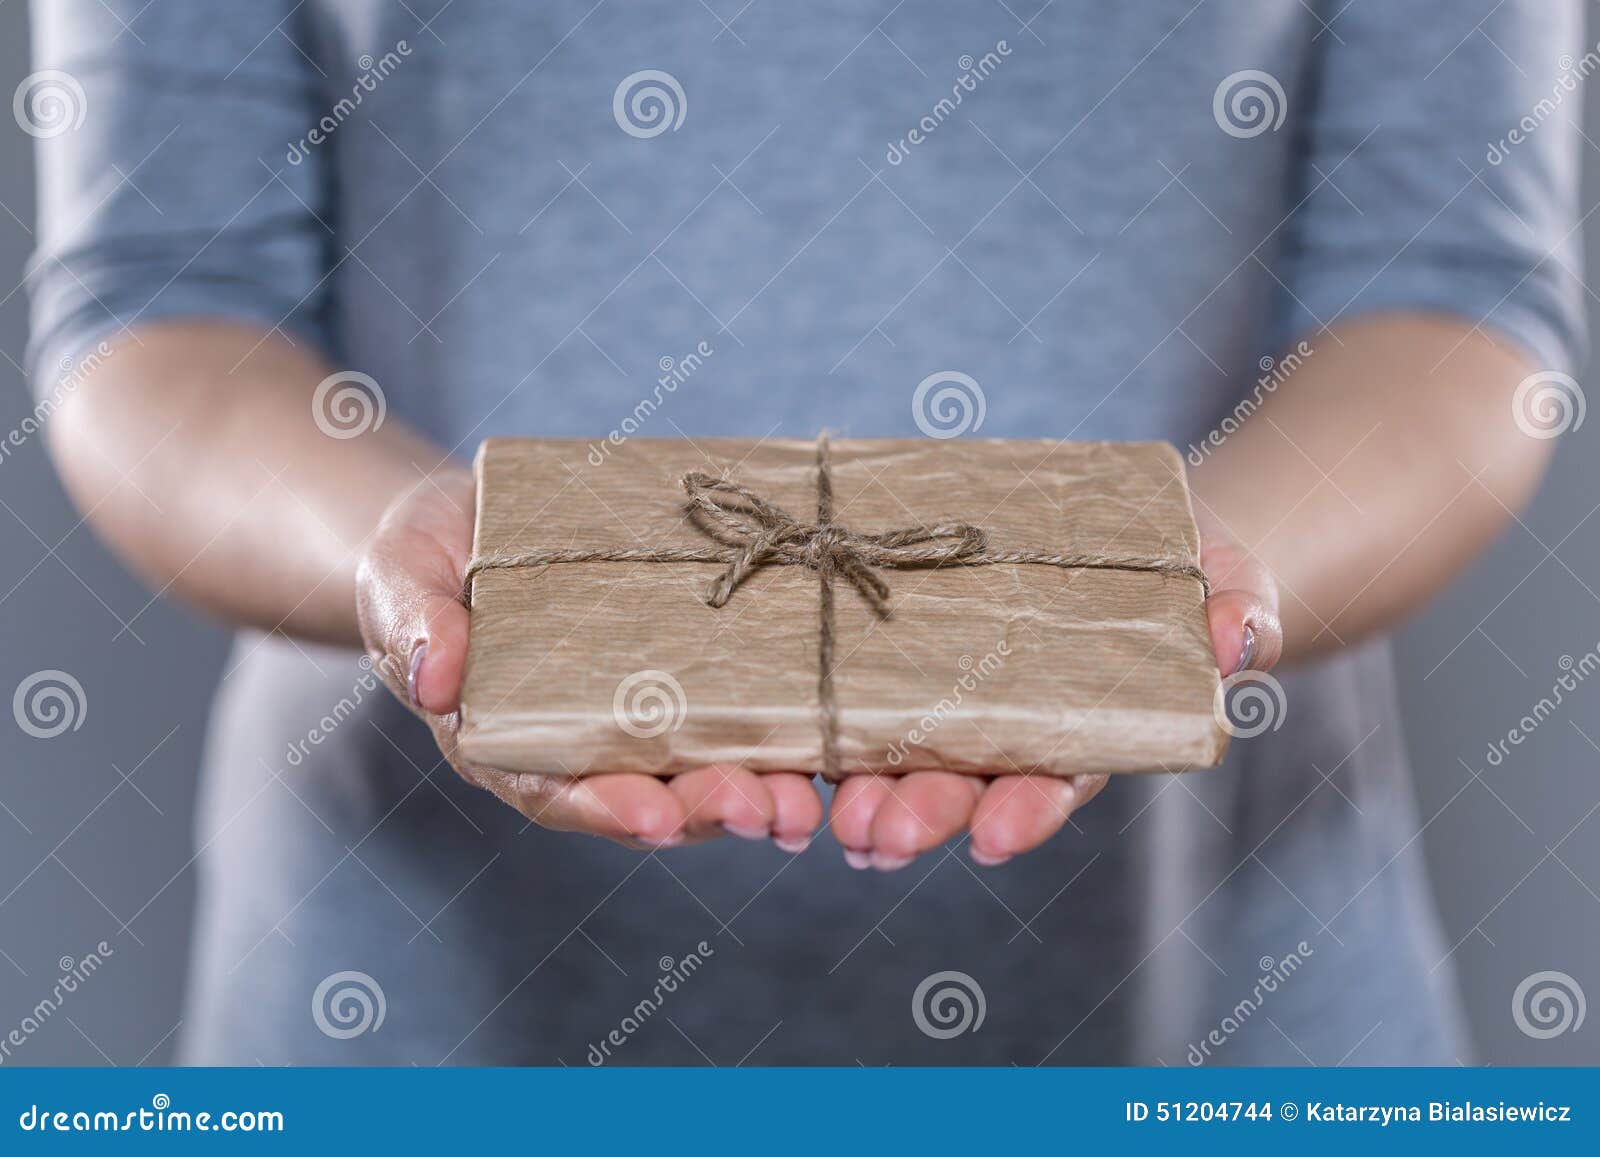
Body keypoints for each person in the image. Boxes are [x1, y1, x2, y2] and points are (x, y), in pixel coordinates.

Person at [26, 0, 1582, 1064]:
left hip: (1230, 1000)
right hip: (409, 1012)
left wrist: (1193, 588)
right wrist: (399, 552)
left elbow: (1453, 287)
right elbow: (161, 303)